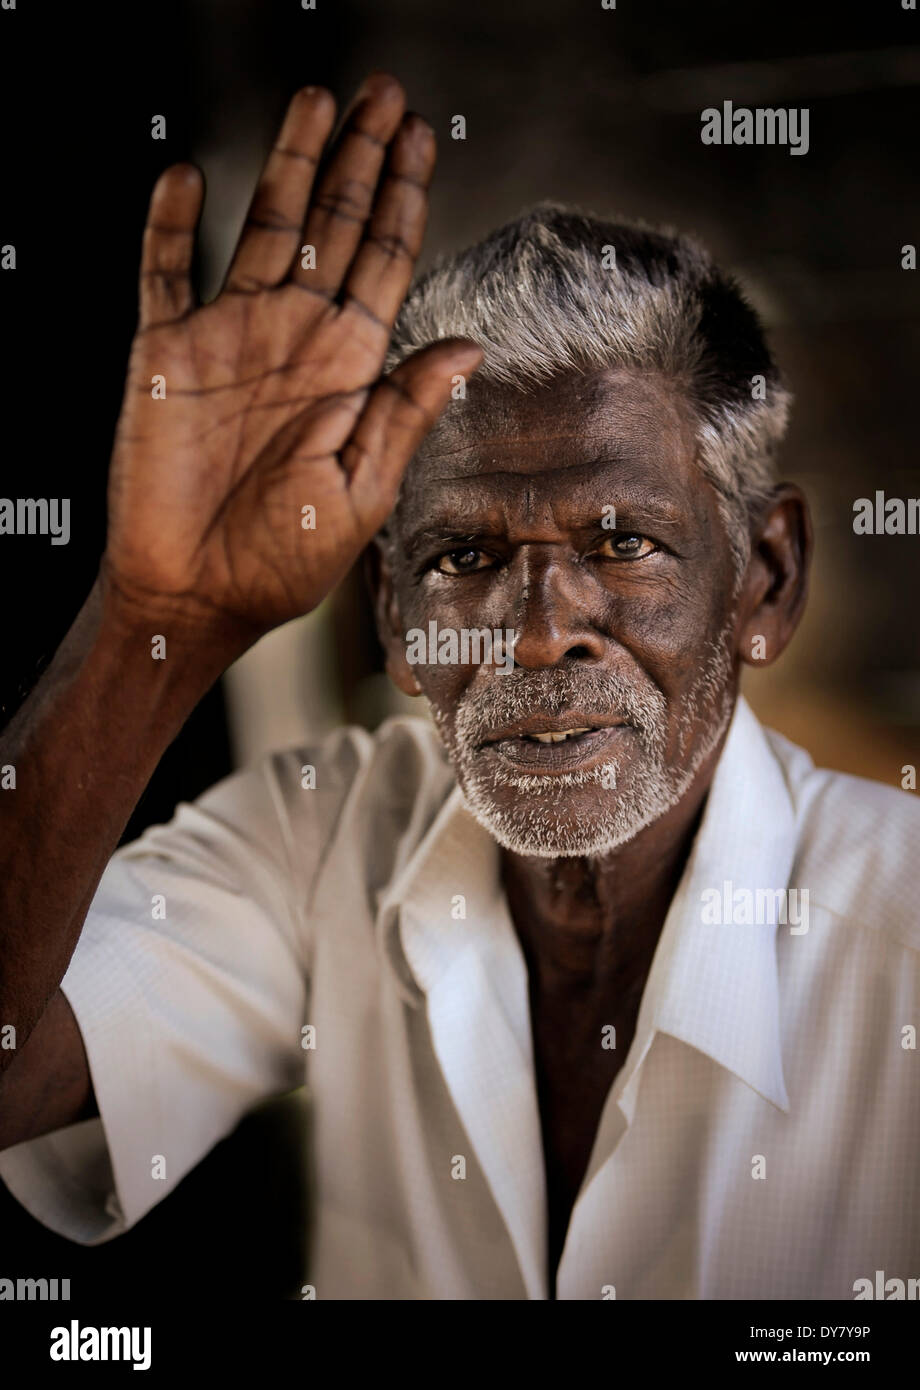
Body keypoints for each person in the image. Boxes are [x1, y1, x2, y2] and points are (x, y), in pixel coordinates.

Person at [0, 73, 917, 1301]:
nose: (537, 636)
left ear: (762, 579)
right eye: (463, 557)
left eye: (620, 544)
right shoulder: (318, 834)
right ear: (388, 610)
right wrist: (154, 620)